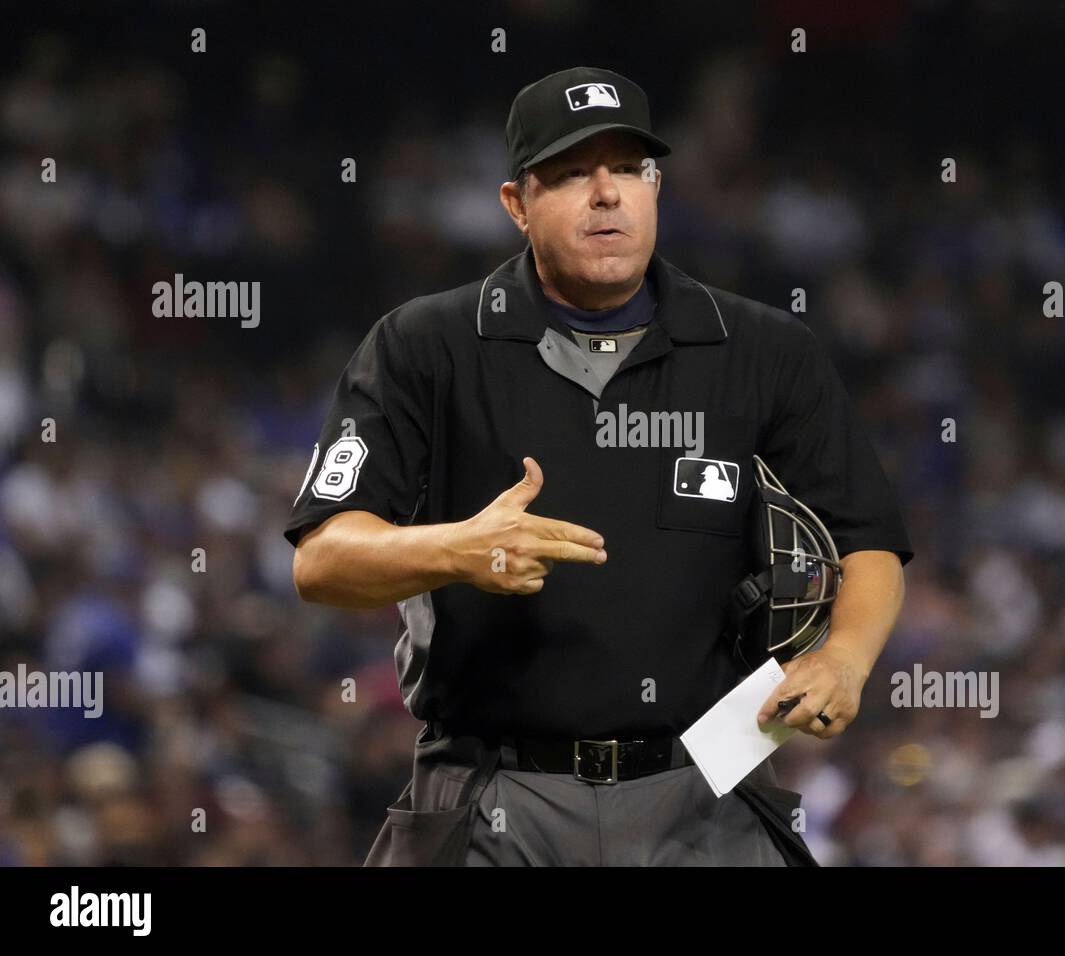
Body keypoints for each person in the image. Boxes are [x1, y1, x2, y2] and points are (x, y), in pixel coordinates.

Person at [285, 66, 913, 866]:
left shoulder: (762, 350)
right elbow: (321, 559)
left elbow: (869, 540)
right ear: (517, 203)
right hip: (493, 794)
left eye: (628, 169)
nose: (606, 193)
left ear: (657, 187)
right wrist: (454, 551)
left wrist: (845, 660)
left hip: (706, 787)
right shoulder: (424, 345)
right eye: (573, 173)